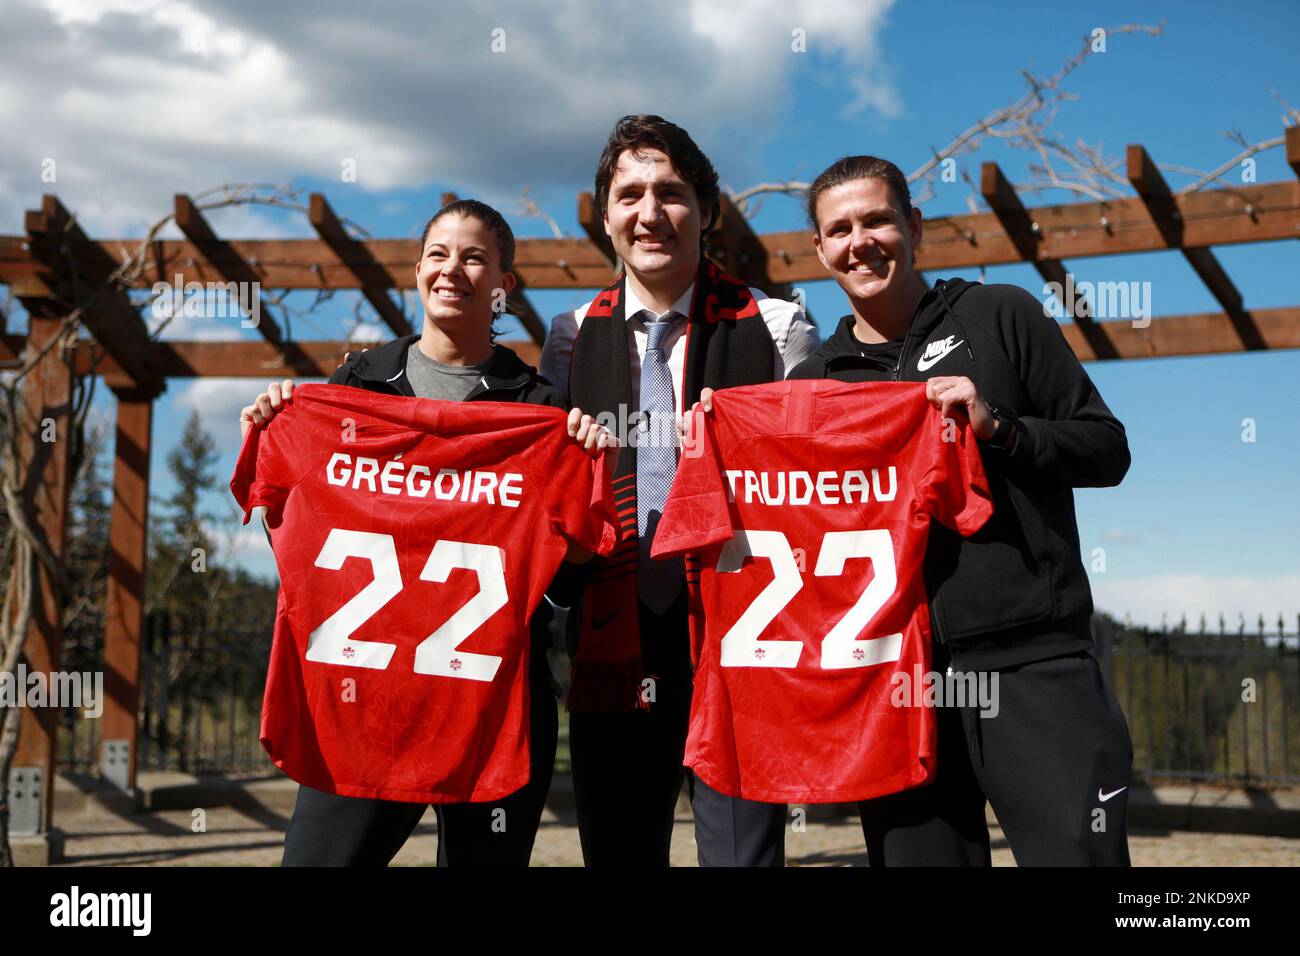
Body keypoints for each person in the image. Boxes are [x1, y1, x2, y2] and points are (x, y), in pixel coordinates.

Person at [778, 154, 1134, 865]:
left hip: (1035, 666)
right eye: (839, 230)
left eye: (877, 219)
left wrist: (1000, 428)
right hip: (895, 683)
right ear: (819, 251)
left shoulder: (1002, 313)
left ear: (914, 226)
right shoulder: (813, 384)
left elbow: (1106, 449)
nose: (860, 241)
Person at [239, 199, 614, 866]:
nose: (454, 269)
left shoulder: (539, 411)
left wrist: (585, 470)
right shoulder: (356, 386)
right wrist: (272, 428)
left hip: (492, 710)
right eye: (440, 254)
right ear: (417, 271)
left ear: (505, 284)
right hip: (365, 701)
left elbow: (567, 581)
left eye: (475, 257)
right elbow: (297, 531)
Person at [539, 114, 819, 867]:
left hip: (743, 640)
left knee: (742, 861)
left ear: (708, 209)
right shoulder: (568, 336)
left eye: (671, 192)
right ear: (605, 217)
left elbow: (816, 493)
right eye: (629, 195)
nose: (650, 212)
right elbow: (549, 493)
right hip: (614, 642)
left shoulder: (780, 326)